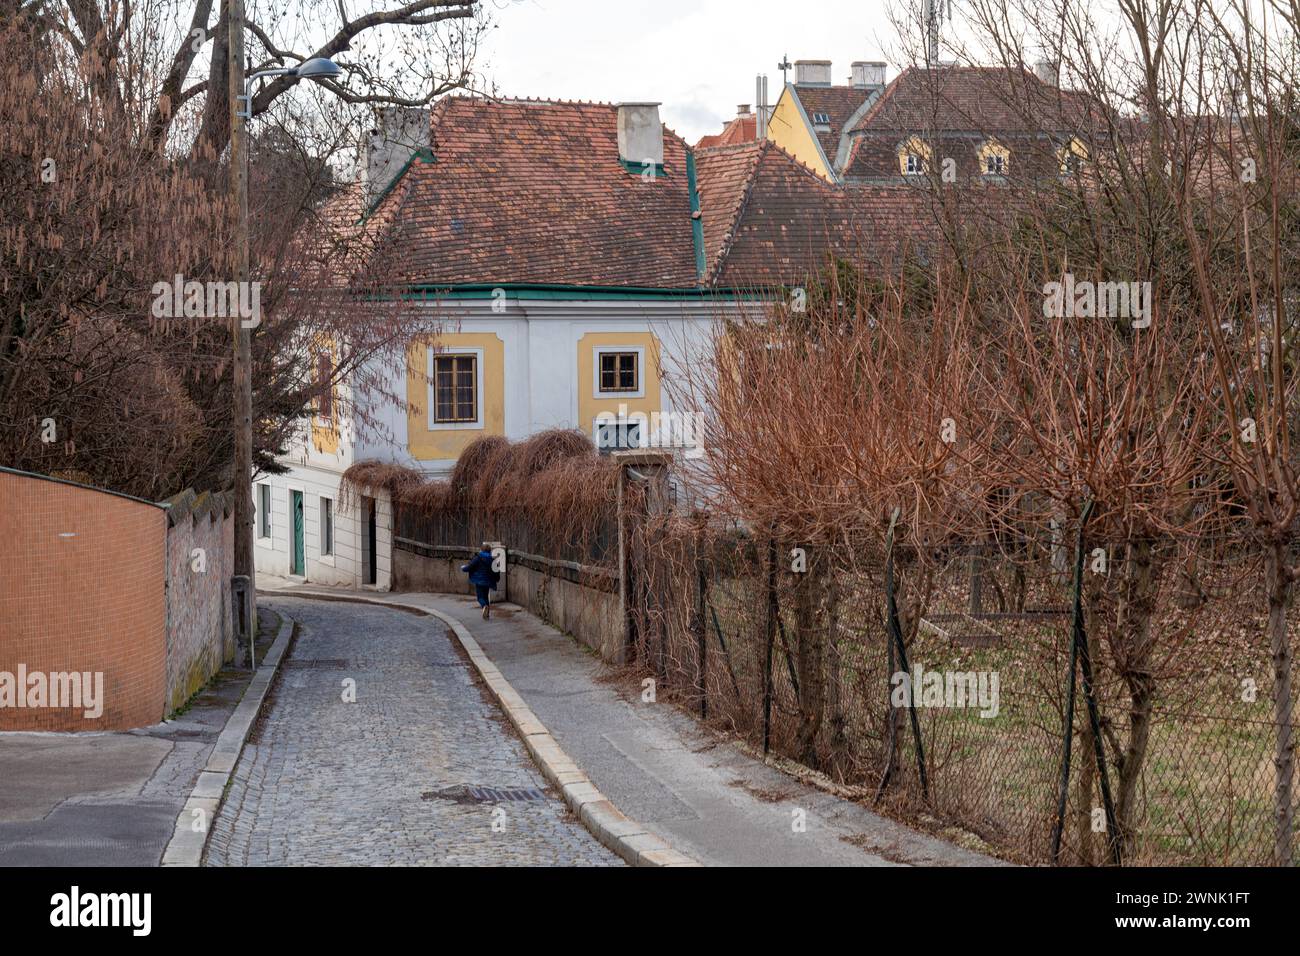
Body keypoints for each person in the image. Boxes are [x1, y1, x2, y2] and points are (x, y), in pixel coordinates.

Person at [461, 543, 500, 620]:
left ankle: (484, 606)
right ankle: (487, 615)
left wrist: (463, 568)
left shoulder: (478, 558)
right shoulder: (492, 560)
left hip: (479, 581)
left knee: (480, 598)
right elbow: (496, 571)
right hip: (488, 582)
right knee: (485, 597)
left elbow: (470, 567)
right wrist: (497, 579)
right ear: (489, 551)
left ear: (481, 549)